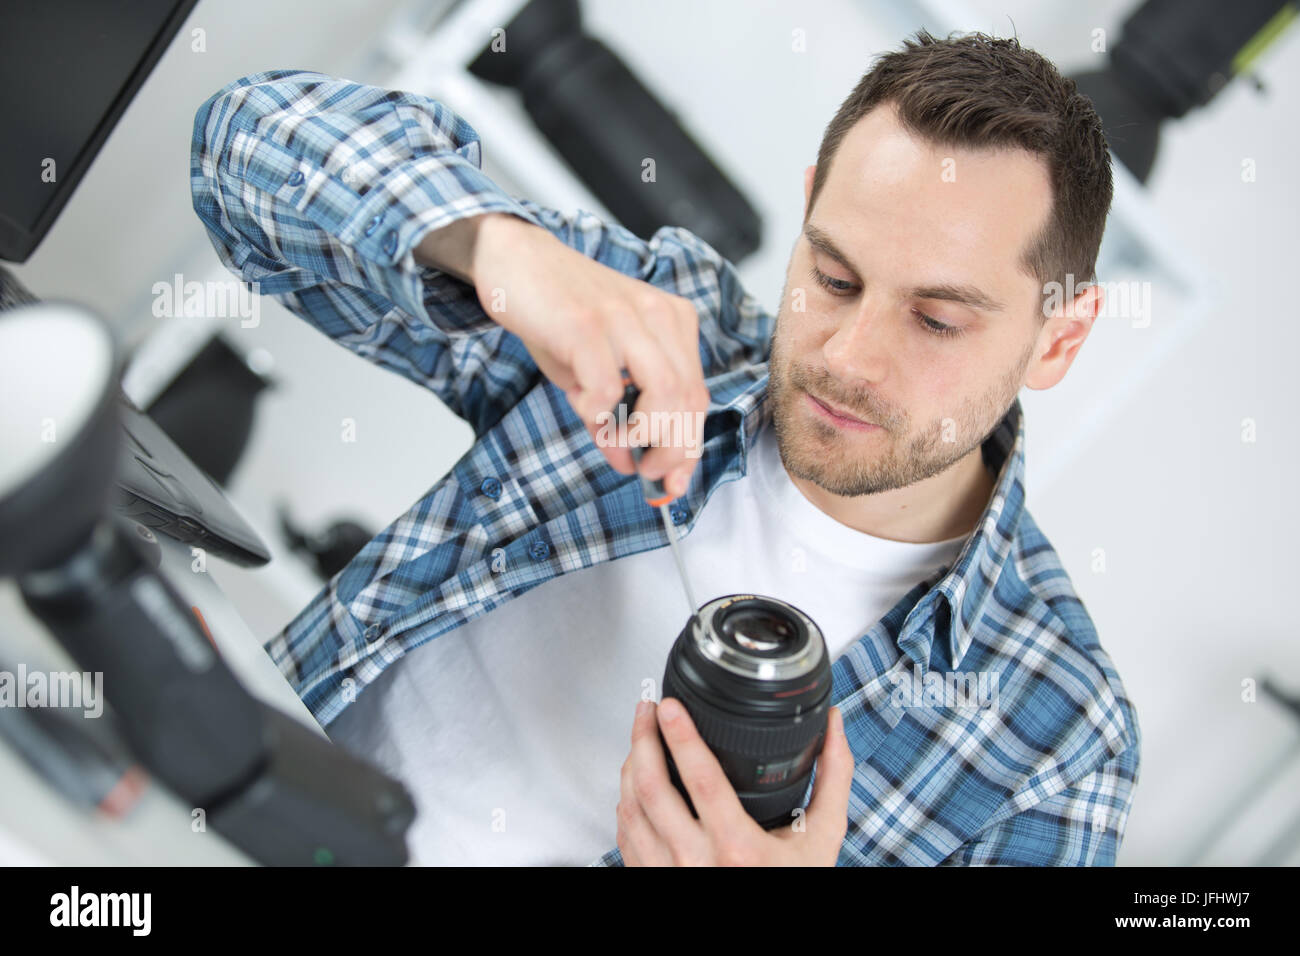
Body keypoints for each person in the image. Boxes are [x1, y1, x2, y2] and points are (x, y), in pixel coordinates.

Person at [190, 28, 1139, 866]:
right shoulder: (673, 329)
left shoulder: (1058, 738)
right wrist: (504, 254)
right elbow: (242, 144)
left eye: (935, 321)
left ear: (1057, 336)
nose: (849, 359)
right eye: (835, 276)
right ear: (809, 209)